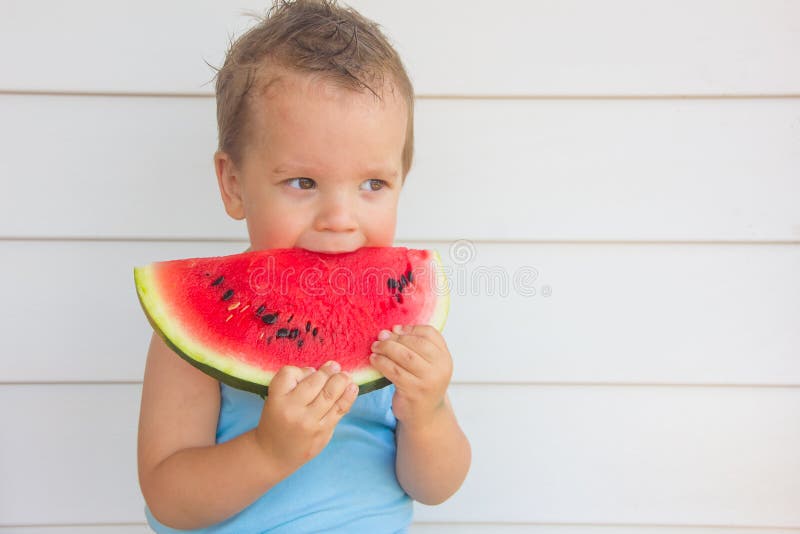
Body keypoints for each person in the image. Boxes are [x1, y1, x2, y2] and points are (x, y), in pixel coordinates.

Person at [137, 1, 471, 531]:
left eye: (372, 185)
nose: (340, 218)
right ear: (233, 184)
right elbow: (168, 498)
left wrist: (427, 414)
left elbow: (435, 487)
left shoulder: (400, 332)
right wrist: (269, 452)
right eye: (303, 183)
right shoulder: (189, 337)